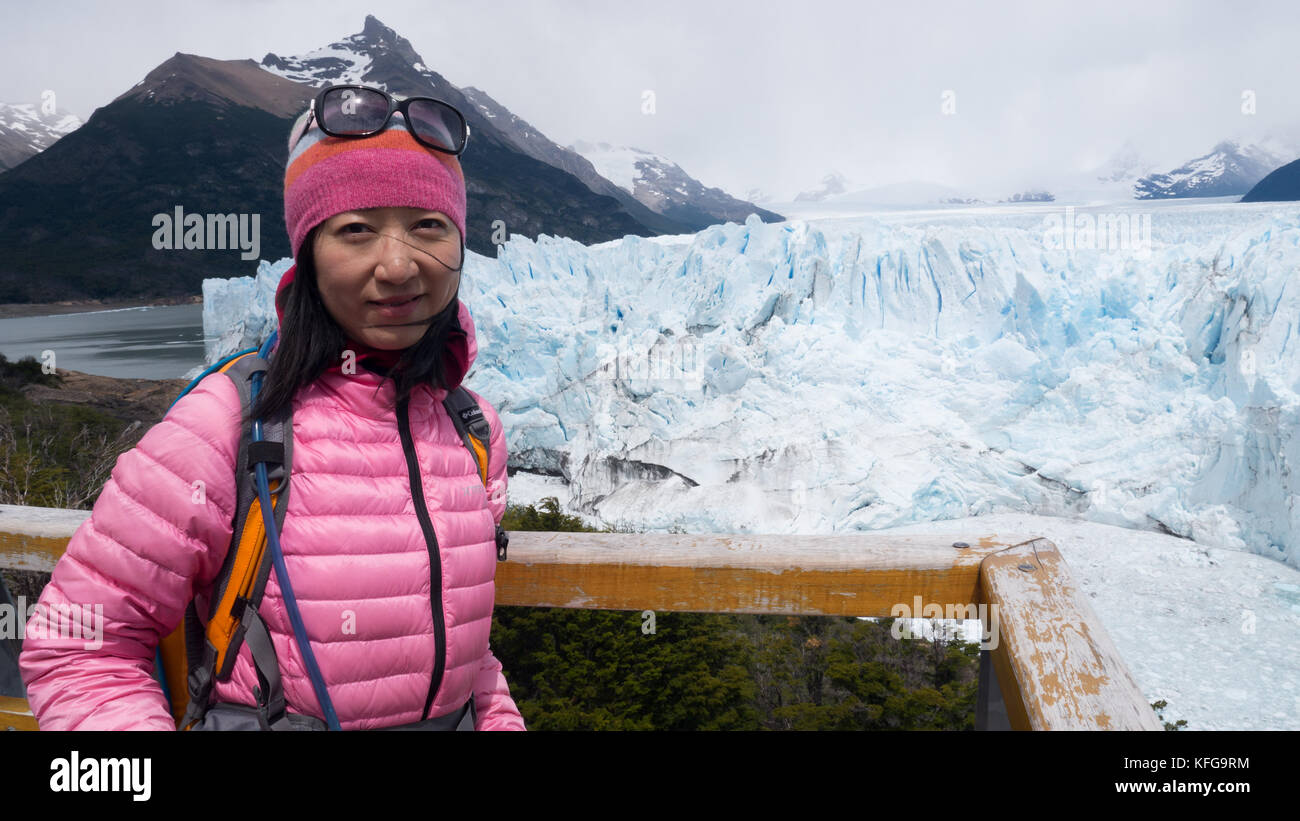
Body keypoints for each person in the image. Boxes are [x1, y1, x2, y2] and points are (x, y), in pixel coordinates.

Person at [19, 85, 526, 730]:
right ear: (308, 256)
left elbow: (470, 654)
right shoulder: (225, 428)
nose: (398, 266)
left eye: (428, 226)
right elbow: (77, 648)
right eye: (356, 230)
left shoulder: (472, 430)